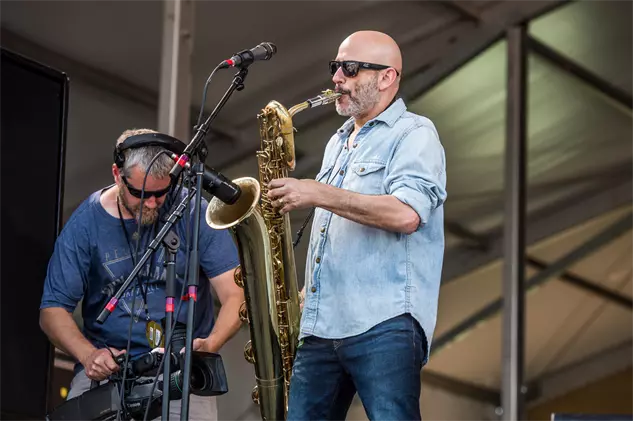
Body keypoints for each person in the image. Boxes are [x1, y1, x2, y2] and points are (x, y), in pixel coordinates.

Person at [267, 30, 448, 420]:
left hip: (383, 323)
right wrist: (305, 293)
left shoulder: (414, 133)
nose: (336, 79)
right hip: (320, 326)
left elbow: (406, 214)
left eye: (350, 69)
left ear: (387, 77)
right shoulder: (337, 142)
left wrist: (318, 192)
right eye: (335, 68)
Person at [39, 128, 244, 421]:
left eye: (161, 194)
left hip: (180, 373)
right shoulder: (86, 223)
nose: (151, 203)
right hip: (107, 373)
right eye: (140, 193)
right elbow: (52, 310)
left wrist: (209, 346)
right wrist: (88, 356)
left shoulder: (194, 210)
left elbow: (235, 294)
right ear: (116, 173)